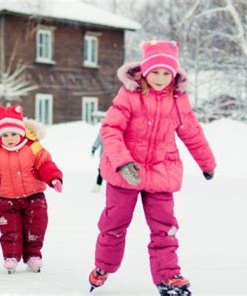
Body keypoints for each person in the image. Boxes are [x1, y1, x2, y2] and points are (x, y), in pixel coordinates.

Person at [88, 40, 216, 295]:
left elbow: (191, 131)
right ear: (145, 71)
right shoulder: (130, 94)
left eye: (165, 73)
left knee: (165, 228)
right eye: (155, 72)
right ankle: (103, 267)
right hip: (126, 173)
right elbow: (111, 129)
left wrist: (207, 162)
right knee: (114, 224)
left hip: (161, 173)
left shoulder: (178, 99)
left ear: (174, 74)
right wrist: (122, 161)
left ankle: (168, 277)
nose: (160, 78)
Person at [0, 104, 63, 274]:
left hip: (34, 197)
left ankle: (33, 255)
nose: (10, 138)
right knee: (10, 230)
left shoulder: (33, 148)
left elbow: (45, 165)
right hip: (8, 199)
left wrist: (54, 178)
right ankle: (11, 256)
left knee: (36, 228)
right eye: (5, 135)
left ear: (21, 132)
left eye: (14, 134)